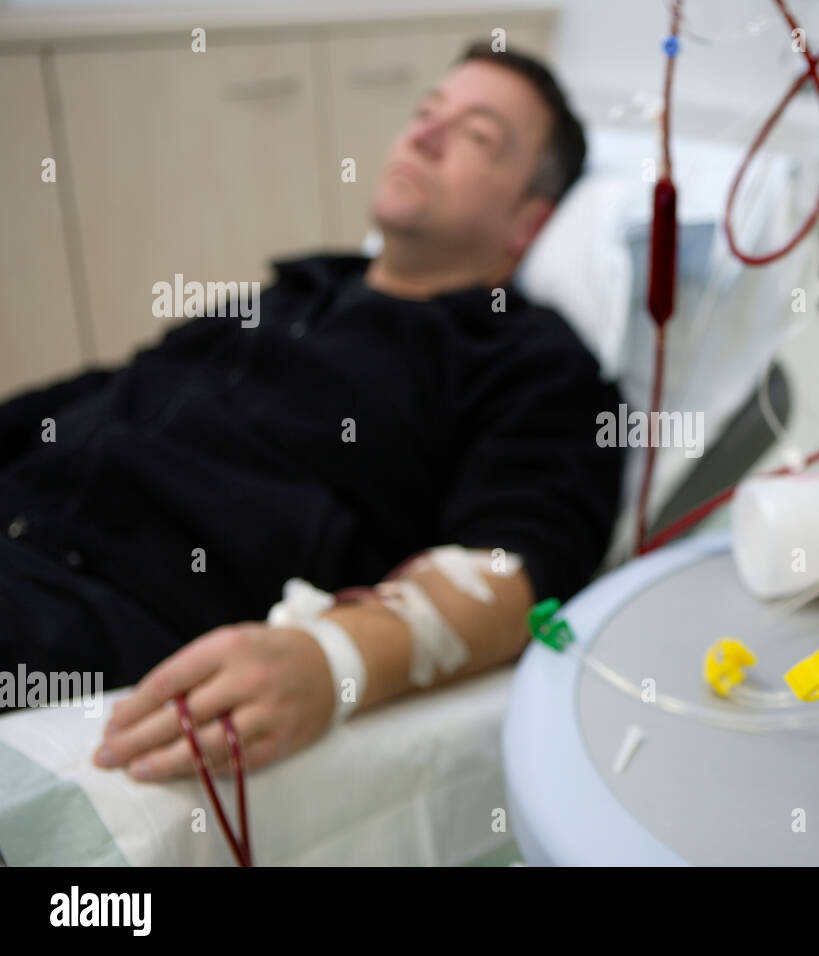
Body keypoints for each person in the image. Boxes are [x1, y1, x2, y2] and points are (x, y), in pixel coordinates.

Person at [0, 44, 624, 779]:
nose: (423, 134)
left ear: (528, 222)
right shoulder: (294, 292)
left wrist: (334, 655)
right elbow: (111, 388)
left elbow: (515, 563)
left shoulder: (531, 362)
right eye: (428, 113)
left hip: (95, 617)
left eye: (477, 135)